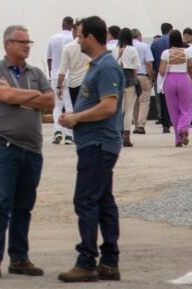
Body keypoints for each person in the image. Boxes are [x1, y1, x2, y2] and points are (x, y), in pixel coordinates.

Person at [0, 24, 54, 280]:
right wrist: (33, 96)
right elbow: (5, 95)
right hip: (5, 147)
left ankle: (19, 258)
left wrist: (22, 95)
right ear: (7, 44)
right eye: (21, 42)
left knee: (24, 206)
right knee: (0, 203)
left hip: (32, 149)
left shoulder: (36, 72)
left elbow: (50, 101)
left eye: (28, 42)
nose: (26, 46)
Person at [57, 15, 125, 282]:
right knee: (103, 201)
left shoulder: (106, 67)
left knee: (85, 200)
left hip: (98, 144)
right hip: (94, 143)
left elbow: (109, 106)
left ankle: (86, 261)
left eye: (80, 35)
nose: (77, 39)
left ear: (91, 38)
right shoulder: (97, 65)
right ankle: (109, 261)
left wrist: (76, 118)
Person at [161, 29, 192, 146]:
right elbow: (190, 68)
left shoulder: (165, 53)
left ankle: (178, 140)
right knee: (186, 108)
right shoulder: (187, 52)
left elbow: (161, 71)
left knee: (173, 110)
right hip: (184, 79)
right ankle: (183, 129)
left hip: (170, 80)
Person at [57, 20, 89, 128]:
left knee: (77, 110)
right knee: (88, 109)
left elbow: (62, 70)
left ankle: (79, 134)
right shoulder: (90, 46)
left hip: (74, 84)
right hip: (88, 82)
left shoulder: (68, 47)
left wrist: (58, 86)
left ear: (75, 31)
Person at [48, 17, 75, 145]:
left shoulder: (53, 38)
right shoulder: (74, 40)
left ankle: (57, 131)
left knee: (57, 104)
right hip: (70, 75)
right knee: (69, 104)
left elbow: (49, 58)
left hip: (55, 75)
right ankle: (69, 135)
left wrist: (50, 72)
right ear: (72, 26)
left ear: (62, 24)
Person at [116, 28, 140, 148]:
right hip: (130, 78)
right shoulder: (133, 49)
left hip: (117, 81)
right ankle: (127, 137)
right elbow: (136, 67)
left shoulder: (115, 49)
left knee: (119, 110)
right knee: (129, 110)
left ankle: (118, 136)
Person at [150, 23, 173, 133]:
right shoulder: (174, 42)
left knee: (162, 99)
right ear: (170, 30)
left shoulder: (155, 43)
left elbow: (152, 61)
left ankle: (165, 123)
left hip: (160, 73)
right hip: (174, 73)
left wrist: (154, 74)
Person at [131, 29, 154, 135]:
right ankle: (141, 125)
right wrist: (151, 77)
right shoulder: (144, 46)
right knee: (144, 101)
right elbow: (148, 63)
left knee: (134, 102)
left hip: (131, 77)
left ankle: (135, 124)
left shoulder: (126, 47)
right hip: (142, 75)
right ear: (139, 36)